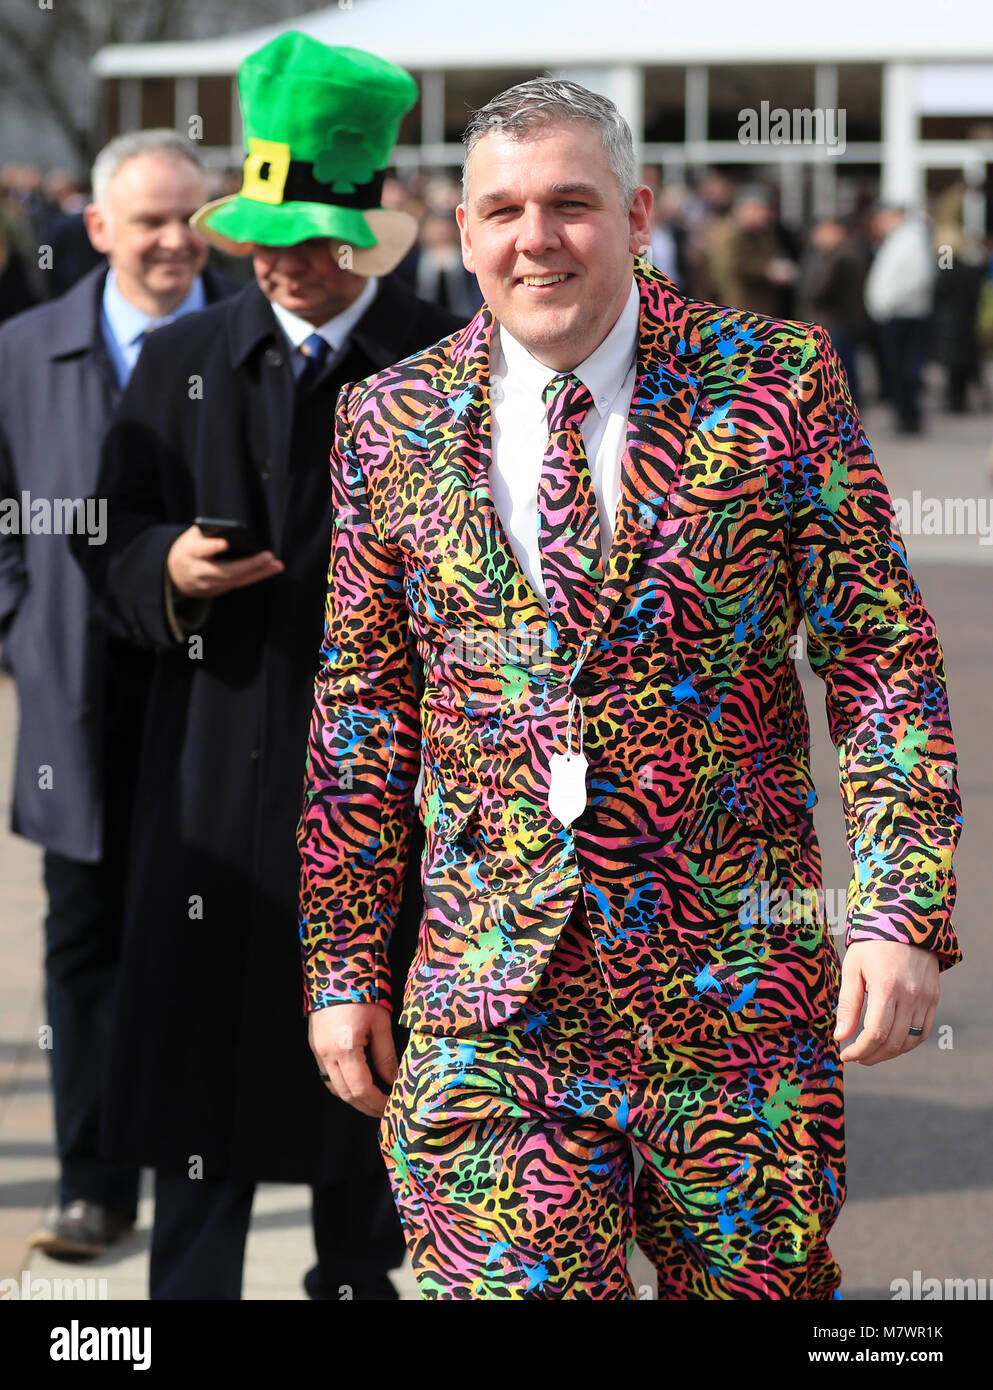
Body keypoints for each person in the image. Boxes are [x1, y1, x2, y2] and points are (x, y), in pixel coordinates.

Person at [299, 77, 963, 1300]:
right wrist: (342, 965)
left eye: (570, 204)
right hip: (492, 1007)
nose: (534, 237)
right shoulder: (385, 422)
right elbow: (361, 714)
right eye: (501, 209)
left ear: (639, 212)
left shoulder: (774, 381)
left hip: (734, 1004)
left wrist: (898, 908)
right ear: (462, 230)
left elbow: (880, 657)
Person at [74, 33, 463, 1301]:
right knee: (199, 1067)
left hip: (387, 786)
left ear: (370, 228)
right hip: (210, 771)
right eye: (261, 236)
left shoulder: (442, 363)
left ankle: (358, 1279)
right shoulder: (186, 361)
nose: (278, 262)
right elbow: (107, 535)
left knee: (368, 1080)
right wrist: (165, 572)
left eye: (307, 238)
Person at [0, 129, 236, 1258]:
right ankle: (95, 1184)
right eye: (149, 220)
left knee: (208, 942)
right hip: (76, 709)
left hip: (218, 702)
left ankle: (200, 1166)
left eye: (191, 216)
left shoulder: (246, 339)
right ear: (97, 230)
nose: (175, 241)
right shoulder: (22, 351)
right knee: (84, 951)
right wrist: (21, 630)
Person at [864, 205, 935, 434]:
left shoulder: (910, 240)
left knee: (904, 369)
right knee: (897, 369)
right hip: (896, 314)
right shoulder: (900, 239)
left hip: (904, 315)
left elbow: (918, 277)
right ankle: (904, 415)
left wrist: (889, 302)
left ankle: (908, 417)